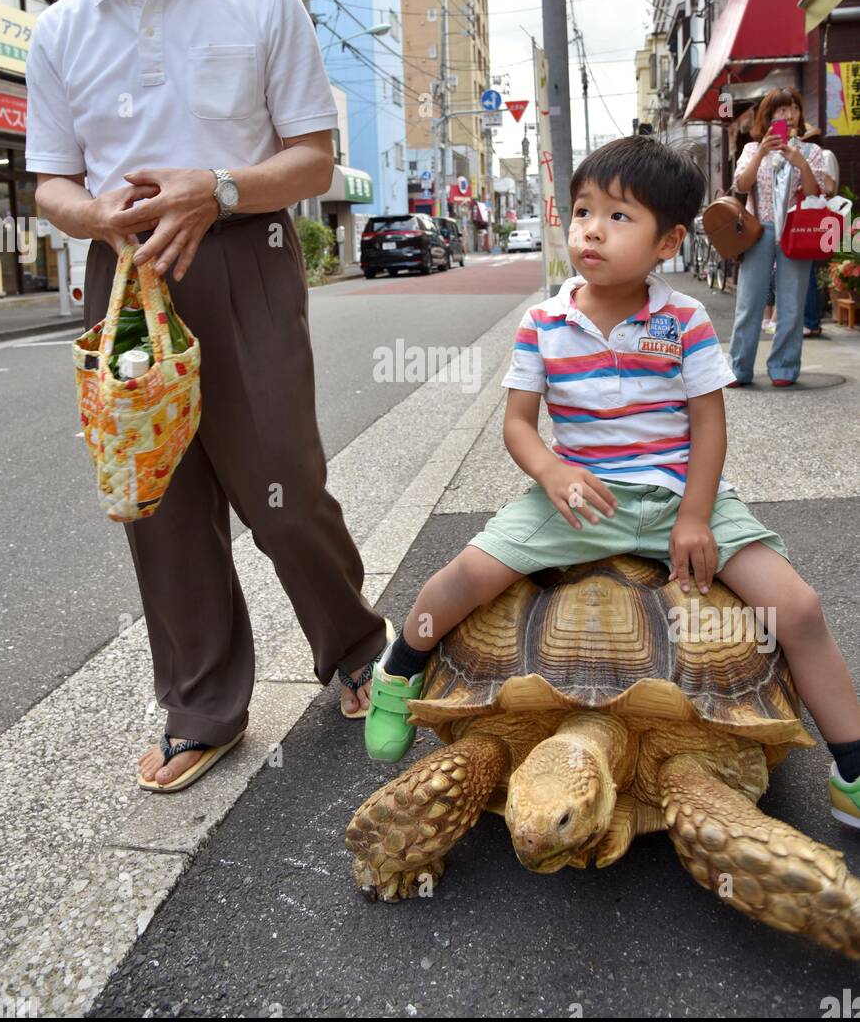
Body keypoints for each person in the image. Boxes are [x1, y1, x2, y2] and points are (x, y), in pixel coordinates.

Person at [25, 0, 390, 791]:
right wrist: (96, 217)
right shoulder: (58, 33)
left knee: (281, 483)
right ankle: (202, 703)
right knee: (157, 500)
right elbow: (50, 179)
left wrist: (216, 186)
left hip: (242, 255)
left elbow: (313, 161)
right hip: (123, 269)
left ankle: (355, 646)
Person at [363, 136, 860, 830]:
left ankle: (851, 770)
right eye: (582, 211)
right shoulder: (543, 323)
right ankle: (395, 669)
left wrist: (692, 517)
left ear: (668, 242)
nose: (591, 229)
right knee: (455, 582)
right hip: (574, 500)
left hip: (679, 496)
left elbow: (708, 427)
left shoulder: (681, 320)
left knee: (797, 609)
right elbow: (517, 426)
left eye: (619, 217)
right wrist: (552, 470)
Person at [727, 88, 828, 386]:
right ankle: (738, 367)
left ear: (799, 113)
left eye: (792, 109)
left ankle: (784, 367)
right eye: (779, 111)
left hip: (796, 229)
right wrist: (760, 153)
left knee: (792, 303)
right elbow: (742, 186)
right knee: (749, 301)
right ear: (768, 118)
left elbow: (815, 194)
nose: (787, 115)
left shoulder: (811, 151)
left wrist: (801, 163)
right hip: (759, 229)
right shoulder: (752, 149)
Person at [799, 125, 841, 338]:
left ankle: (812, 320)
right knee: (809, 270)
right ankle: (810, 319)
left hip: (819, 218)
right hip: (815, 216)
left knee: (809, 271)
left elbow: (828, 187)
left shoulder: (824, 156)